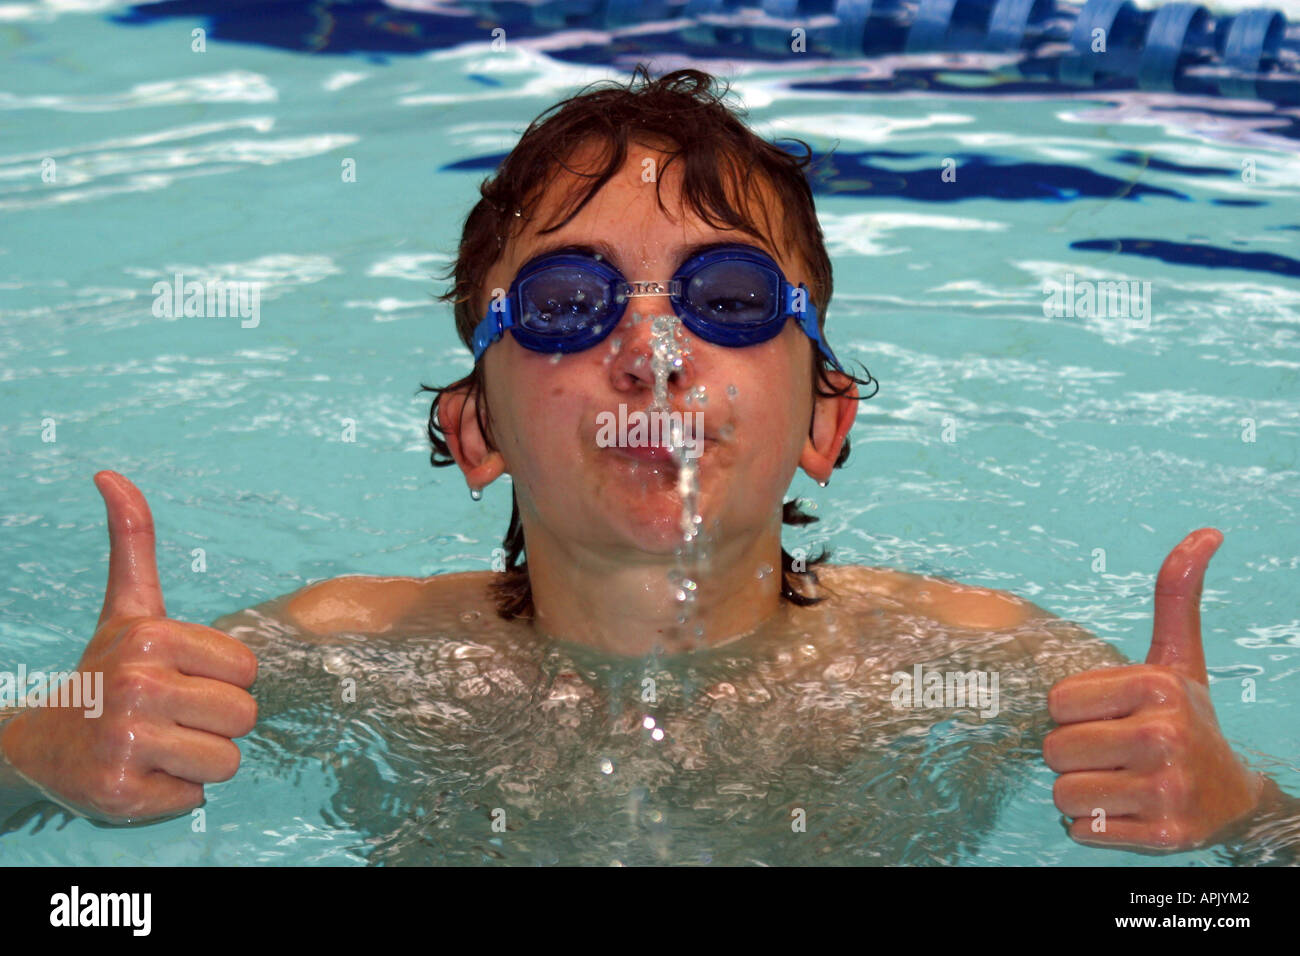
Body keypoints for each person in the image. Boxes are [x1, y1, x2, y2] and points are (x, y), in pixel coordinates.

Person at [1, 67, 1294, 859]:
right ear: (478, 430)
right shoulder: (347, 661)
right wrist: (39, 745)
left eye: (729, 298)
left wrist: (1233, 813)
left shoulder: (985, 672)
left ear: (825, 422)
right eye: (569, 303)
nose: (654, 351)